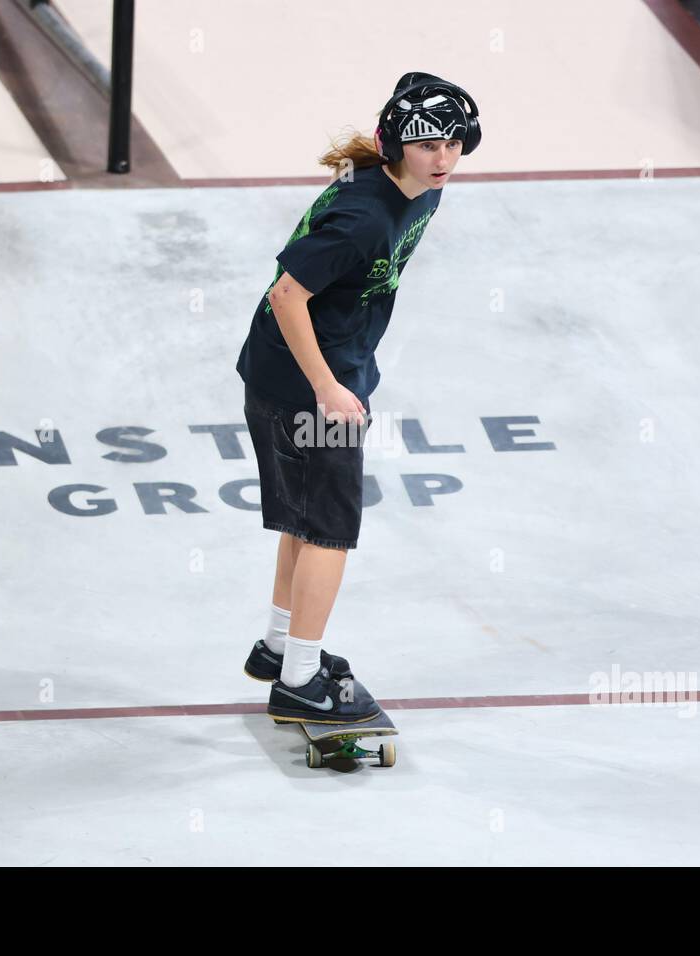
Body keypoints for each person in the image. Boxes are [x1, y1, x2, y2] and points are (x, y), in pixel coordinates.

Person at [235, 71, 482, 724]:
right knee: (331, 531)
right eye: (429, 146)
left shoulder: (417, 190)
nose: (444, 159)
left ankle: (280, 646)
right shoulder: (364, 216)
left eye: (455, 144)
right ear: (397, 143)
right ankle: (299, 682)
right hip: (306, 391)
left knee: (305, 518)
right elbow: (286, 294)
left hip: (301, 372)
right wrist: (326, 387)